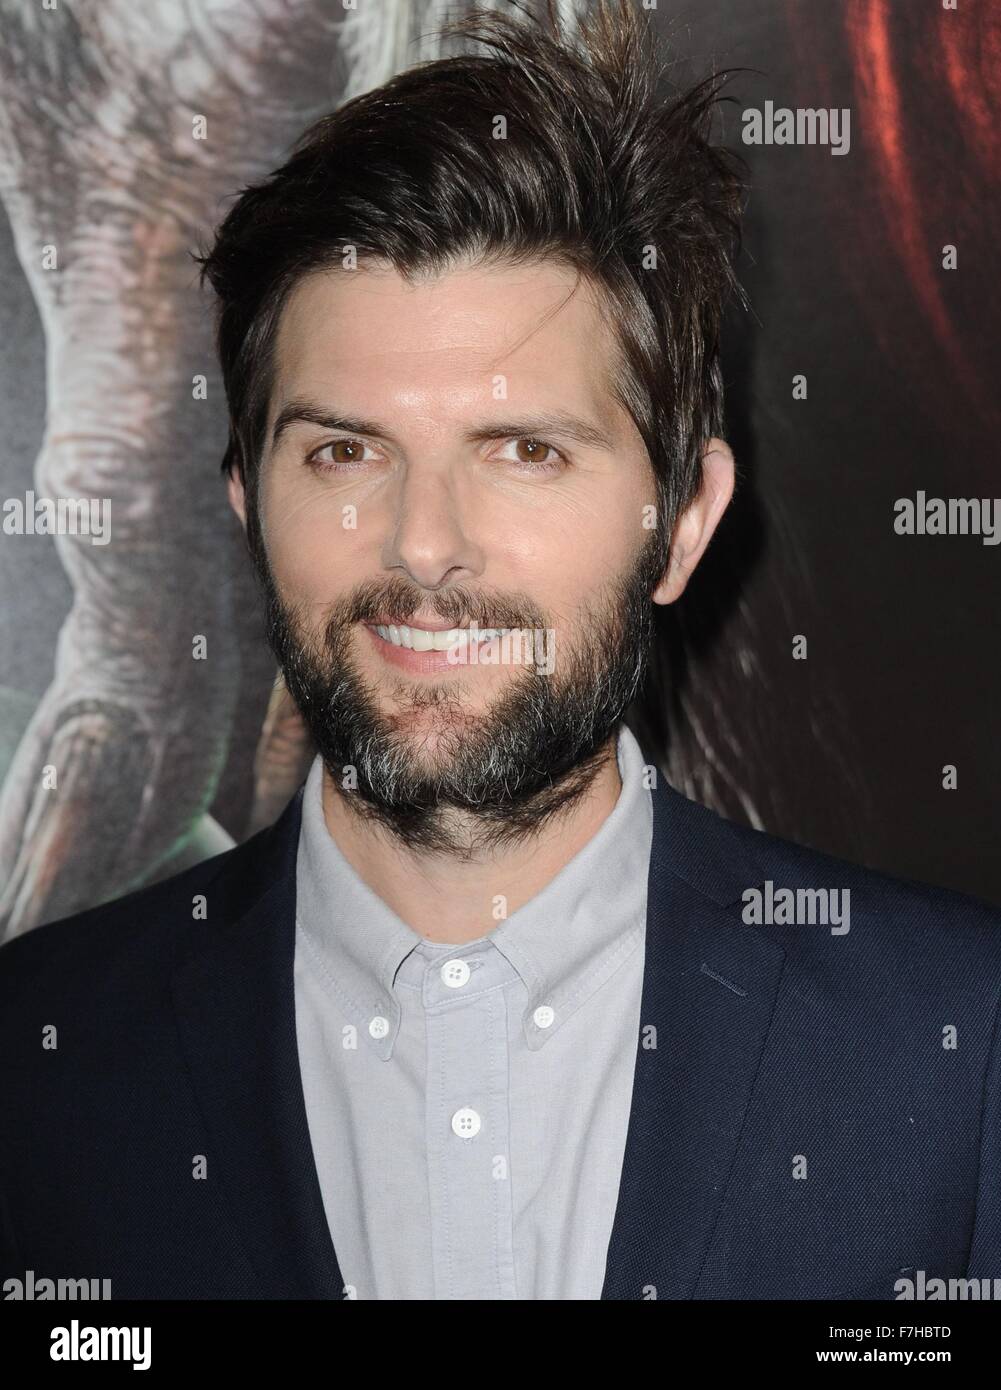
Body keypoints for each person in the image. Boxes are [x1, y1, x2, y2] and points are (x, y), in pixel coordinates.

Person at [2, 0, 1000, 1302]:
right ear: (247, 504)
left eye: (524, 450)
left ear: (684, 521)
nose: (424, 545)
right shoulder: (34, 1067)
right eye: (345, 451)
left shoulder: (960, 1046)